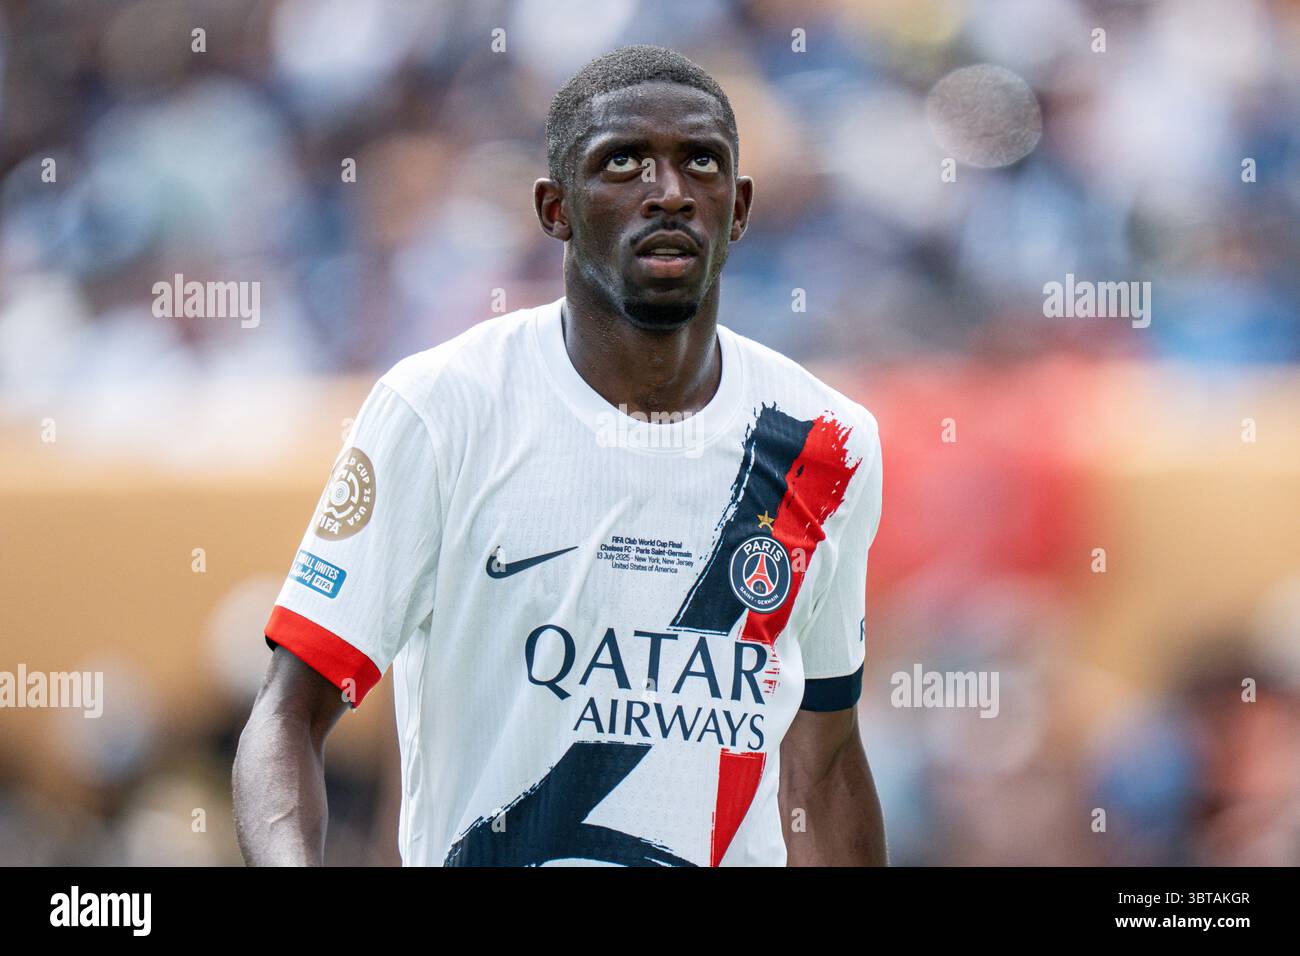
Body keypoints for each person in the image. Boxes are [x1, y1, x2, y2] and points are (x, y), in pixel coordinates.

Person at [233, 44, 886, 866]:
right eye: (624, 164)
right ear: (556, 209)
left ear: (741, 206)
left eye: (701, 163)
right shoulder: (442, 409)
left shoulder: (827, 441)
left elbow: (823, 762)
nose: (670, 193)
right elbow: (289, 714)